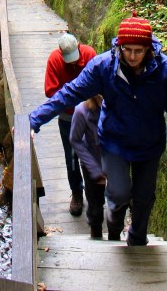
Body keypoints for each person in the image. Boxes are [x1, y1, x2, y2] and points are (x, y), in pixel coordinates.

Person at [30, 14, 167, 245]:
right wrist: (34, 120)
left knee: (144, 198)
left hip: (150, 143)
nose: (133, 56)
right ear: (119, 46)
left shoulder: (164, 71)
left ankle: (136, 239)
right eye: (127, 50)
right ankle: (114, 225)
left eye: (138, 50)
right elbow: (69, 93)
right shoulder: (104, 66)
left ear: (149, 48)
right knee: (119, 194)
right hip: (115, 141)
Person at [44, 33, 97, 216]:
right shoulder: (55, 60)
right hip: (67, 117)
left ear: (79, 46)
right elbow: (50, 91)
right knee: (72, 157)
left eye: (74, 58)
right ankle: (76, 192)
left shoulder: (90, 55)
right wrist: (71, 100)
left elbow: (98, 81)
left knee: (94, 152)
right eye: (68, 60)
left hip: (90, 114)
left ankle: (95, 194)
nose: (72, 63)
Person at [70, 95, 106, 239]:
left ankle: (115, 234)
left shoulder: (117, 103)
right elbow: (74, 139)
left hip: (114, 160)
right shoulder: (81, 111)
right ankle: (96, 234)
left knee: (118, 200)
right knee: (95, 204)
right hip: (91, 162)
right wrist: (94, 169)